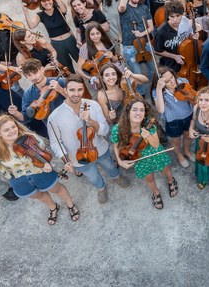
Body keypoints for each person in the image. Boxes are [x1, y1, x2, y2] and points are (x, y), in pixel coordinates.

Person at [0, 115, 79, 225]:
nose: (12, 131)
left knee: (57, 189)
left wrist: (46, 163)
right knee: (39, 196)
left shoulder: (29, 137)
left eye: (13, 127)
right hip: (19, 181)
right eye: (6, 130)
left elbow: (45, 153)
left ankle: (70, 205)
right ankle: (53, 207)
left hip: (40, 173)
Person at [47, 75, 130, 204]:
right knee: (92, 175)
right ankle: (101, 188)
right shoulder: (54, 117)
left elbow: (104, 130)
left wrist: (91, 121)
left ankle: (116, 176)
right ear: (65, 90)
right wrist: (66, 159)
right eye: (72, 90)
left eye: (79, 90)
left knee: (109, 165)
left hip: (99, 148)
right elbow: (54, 142)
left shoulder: (93, 105)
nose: (76, 94)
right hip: (77, 157)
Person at [112, 98, 178, 210]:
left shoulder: (148, 124)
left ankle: (171, 181)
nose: (138, 113)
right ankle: (156, 193)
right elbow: (116, 145)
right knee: (149, 178)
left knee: (165, 169)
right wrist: (119, 160)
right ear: (128, 112)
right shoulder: (117, 129)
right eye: (135, 110)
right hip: (138, 157)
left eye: (142, 110)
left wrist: (147, 135)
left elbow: (156, 145)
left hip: (154, 152)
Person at [21, 0, 78, 72]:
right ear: (40, 3)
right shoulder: (40, 15)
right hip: (57, 44)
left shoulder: (58, 9)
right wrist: (25, 11)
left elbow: (64, 9)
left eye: (49, 0)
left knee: (82, 62)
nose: (47, 2)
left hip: (70, 40)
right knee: (67, 68)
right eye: (44, 1)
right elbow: (31, 26)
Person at [152, 67, 196, 167]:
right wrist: (159, 89)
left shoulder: (183, 81)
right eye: (167, 81)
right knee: (175, 141)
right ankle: (179, 154)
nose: (172, 82)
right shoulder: (158, 92)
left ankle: (186, 150)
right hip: (173, 121)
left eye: (172, 77)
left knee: (188, 136)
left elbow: (192, 97)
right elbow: (161, 110)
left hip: (189, 115)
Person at [117, 0, 155, 93]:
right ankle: (141, 94)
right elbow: (122, 5)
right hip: (129, 47)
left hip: (145, 43)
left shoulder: (144, 8)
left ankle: (154, 89)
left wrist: (141, 33)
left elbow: (151, 27)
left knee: (152, 70)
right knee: (137, 75)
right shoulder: (123, 9)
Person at [20, 58, 66, 137]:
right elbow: (26, 116)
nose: (33, 77)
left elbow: (76, 99)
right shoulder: (28, 94)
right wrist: (15, 113)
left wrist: (60, 89)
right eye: (29, 75)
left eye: (35, 72)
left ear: (42, 69)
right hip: (54, 128)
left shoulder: (60, 81)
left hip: (69, 118)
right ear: (26, 77)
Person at [153, 0, 194, 73]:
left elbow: (189, 34)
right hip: (170, 67)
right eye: (172, 16)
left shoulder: (185, 21)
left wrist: (193, 36)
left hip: (186, 62)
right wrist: (174, 56)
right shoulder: (161, 31)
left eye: (178, 16)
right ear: (168, 16)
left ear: (182, 14)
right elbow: (157, 51)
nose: (175, 20)